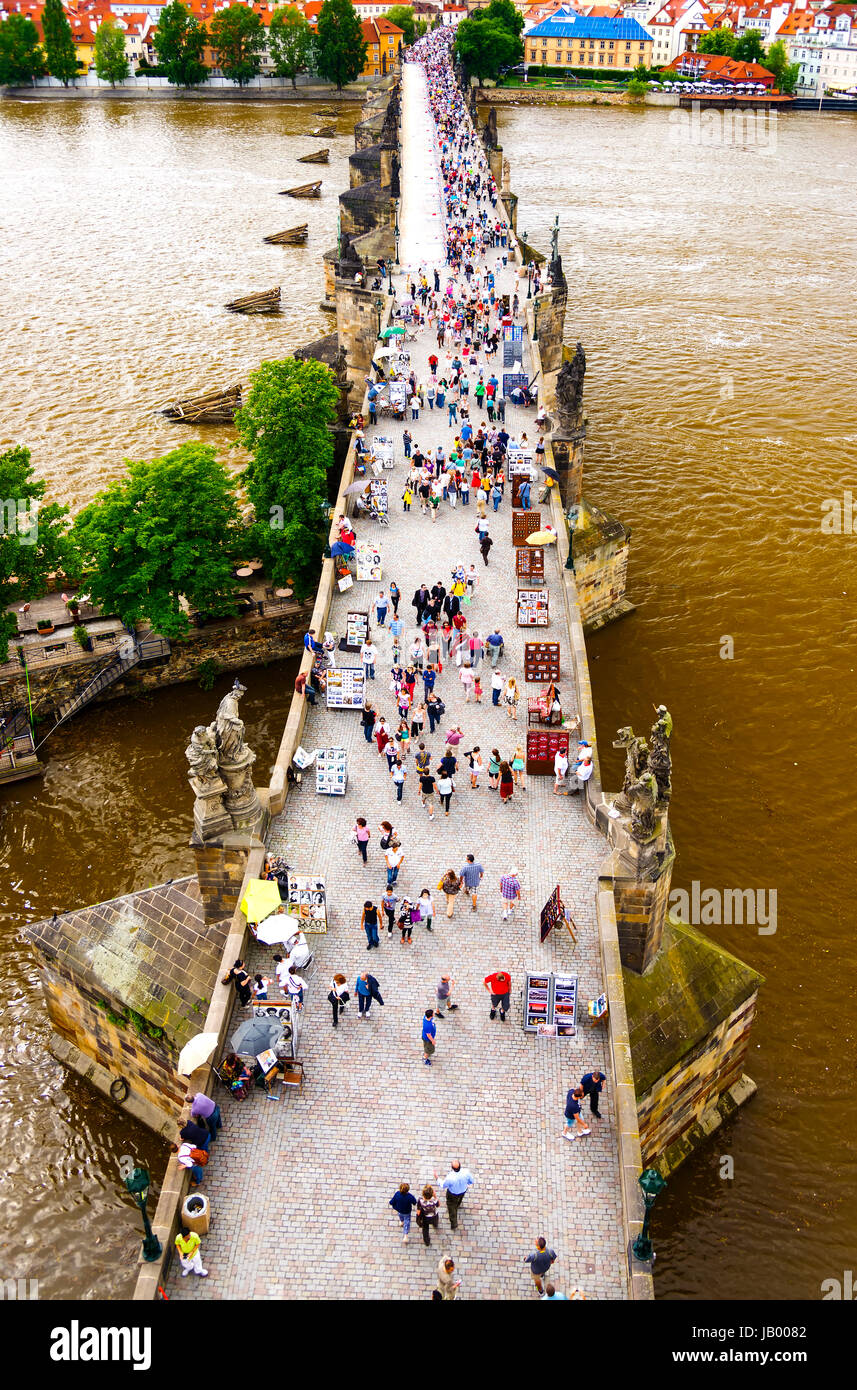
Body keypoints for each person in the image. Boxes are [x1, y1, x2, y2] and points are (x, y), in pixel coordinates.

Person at [436, 1161, 474, 1231]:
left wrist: (437, 1178)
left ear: (452, 1168)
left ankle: (454, 1224)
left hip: (452, 1194)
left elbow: (443, 1185)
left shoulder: (450, 1177)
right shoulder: (466, 1172)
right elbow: (471, 1181)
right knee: (460, 1199)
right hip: (463, 1191)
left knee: (451, 1206)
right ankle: (457, 1205)